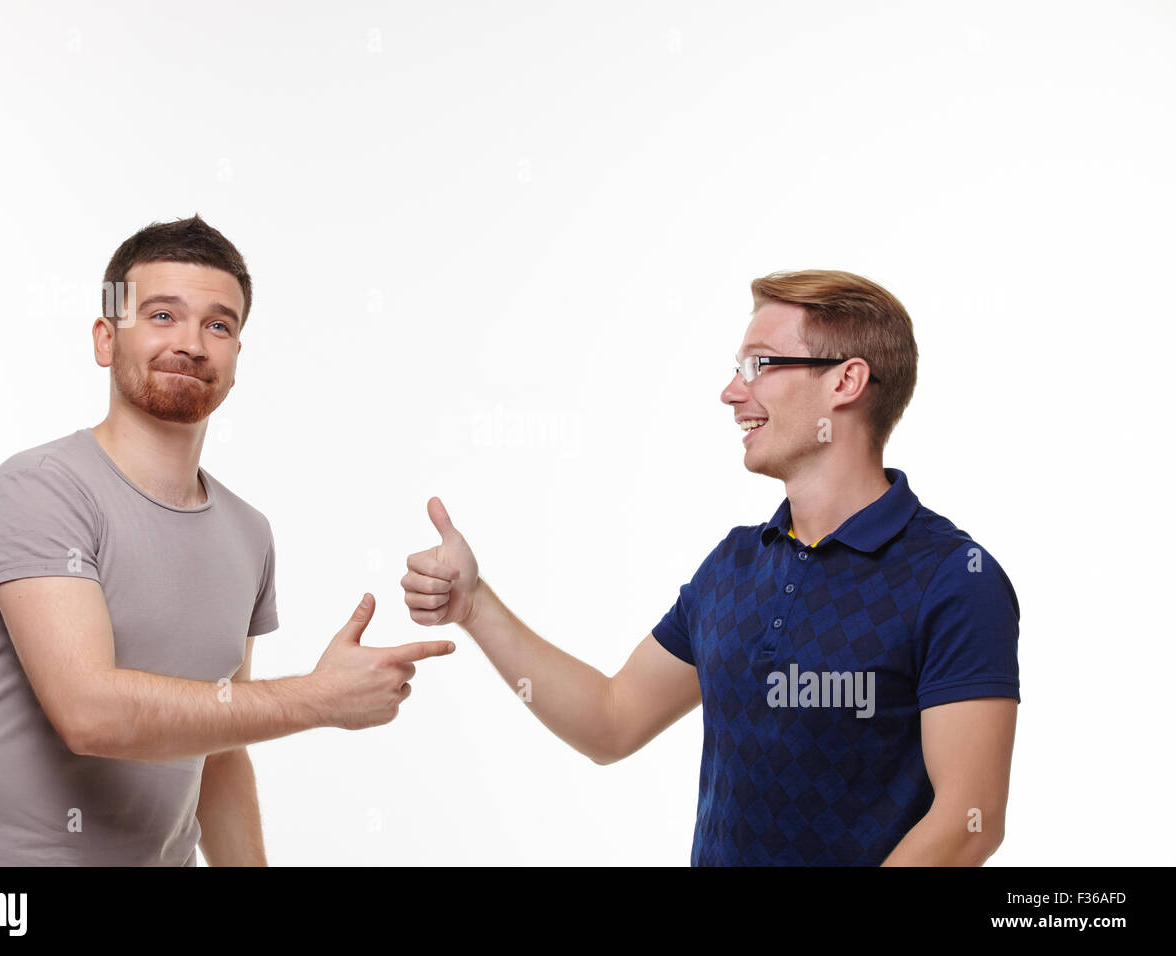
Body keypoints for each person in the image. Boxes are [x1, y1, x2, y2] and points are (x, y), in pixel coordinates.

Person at [401, 269, 1019, 865]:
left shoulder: (955, 579)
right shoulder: (733, 565)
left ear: (846, 382)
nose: (731, 391)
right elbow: (612, 720)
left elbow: (970, 821)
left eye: (760, 364)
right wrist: (476, 605)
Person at [0, 215, 454, 866]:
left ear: (236, 357)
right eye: (162, 315)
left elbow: (222, 751)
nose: (193, 344)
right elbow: (90, 713)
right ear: (104, 338)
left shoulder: (248, 533)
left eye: (218, 325)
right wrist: (317, 698)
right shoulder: (38, 490)